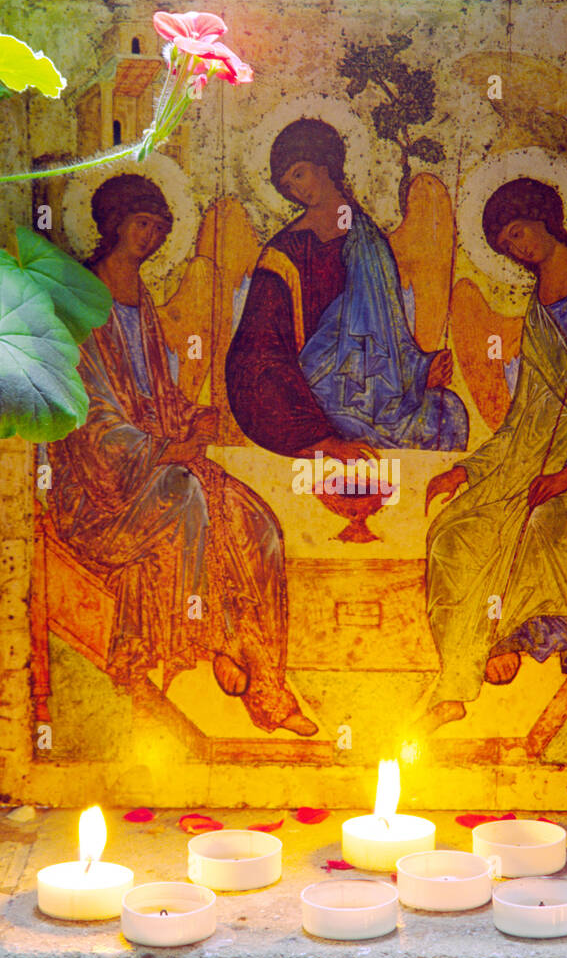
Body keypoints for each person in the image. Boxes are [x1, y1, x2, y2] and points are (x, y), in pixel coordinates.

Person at [47, 174, 317, 737]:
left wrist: (189, 416)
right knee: (186, 494)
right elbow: (89, 419)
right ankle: (221, 645)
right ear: (113, 224)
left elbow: (153, 395)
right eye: (141, 224)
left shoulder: (139, 298)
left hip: (157, 458)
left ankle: (265, 673)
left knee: (258, 524)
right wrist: (164, 446)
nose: (149, 238)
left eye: (159, 229)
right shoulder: (79, 303)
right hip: (100, 489)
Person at [420, 177, 567, 739]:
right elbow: (527, 414)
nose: (517, 249)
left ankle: (516, 642)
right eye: (505, 245)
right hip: (534, 453)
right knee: (456, 531)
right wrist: (467, 469)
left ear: (543, 219)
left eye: (518, 233)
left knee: (546, 524)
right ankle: (455, 681)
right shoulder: (537, 308)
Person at [226, 117, 468, 458]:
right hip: (316, 394)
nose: (298, 190)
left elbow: (390, 333)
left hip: (374, 389)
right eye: (288, 186)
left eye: (299, 173)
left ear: (324, 163)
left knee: (448, 414)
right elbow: (258, 353)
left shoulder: (369, 240)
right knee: (359, 428)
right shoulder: (284, 254)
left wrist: (421, 370)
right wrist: (319, 439)